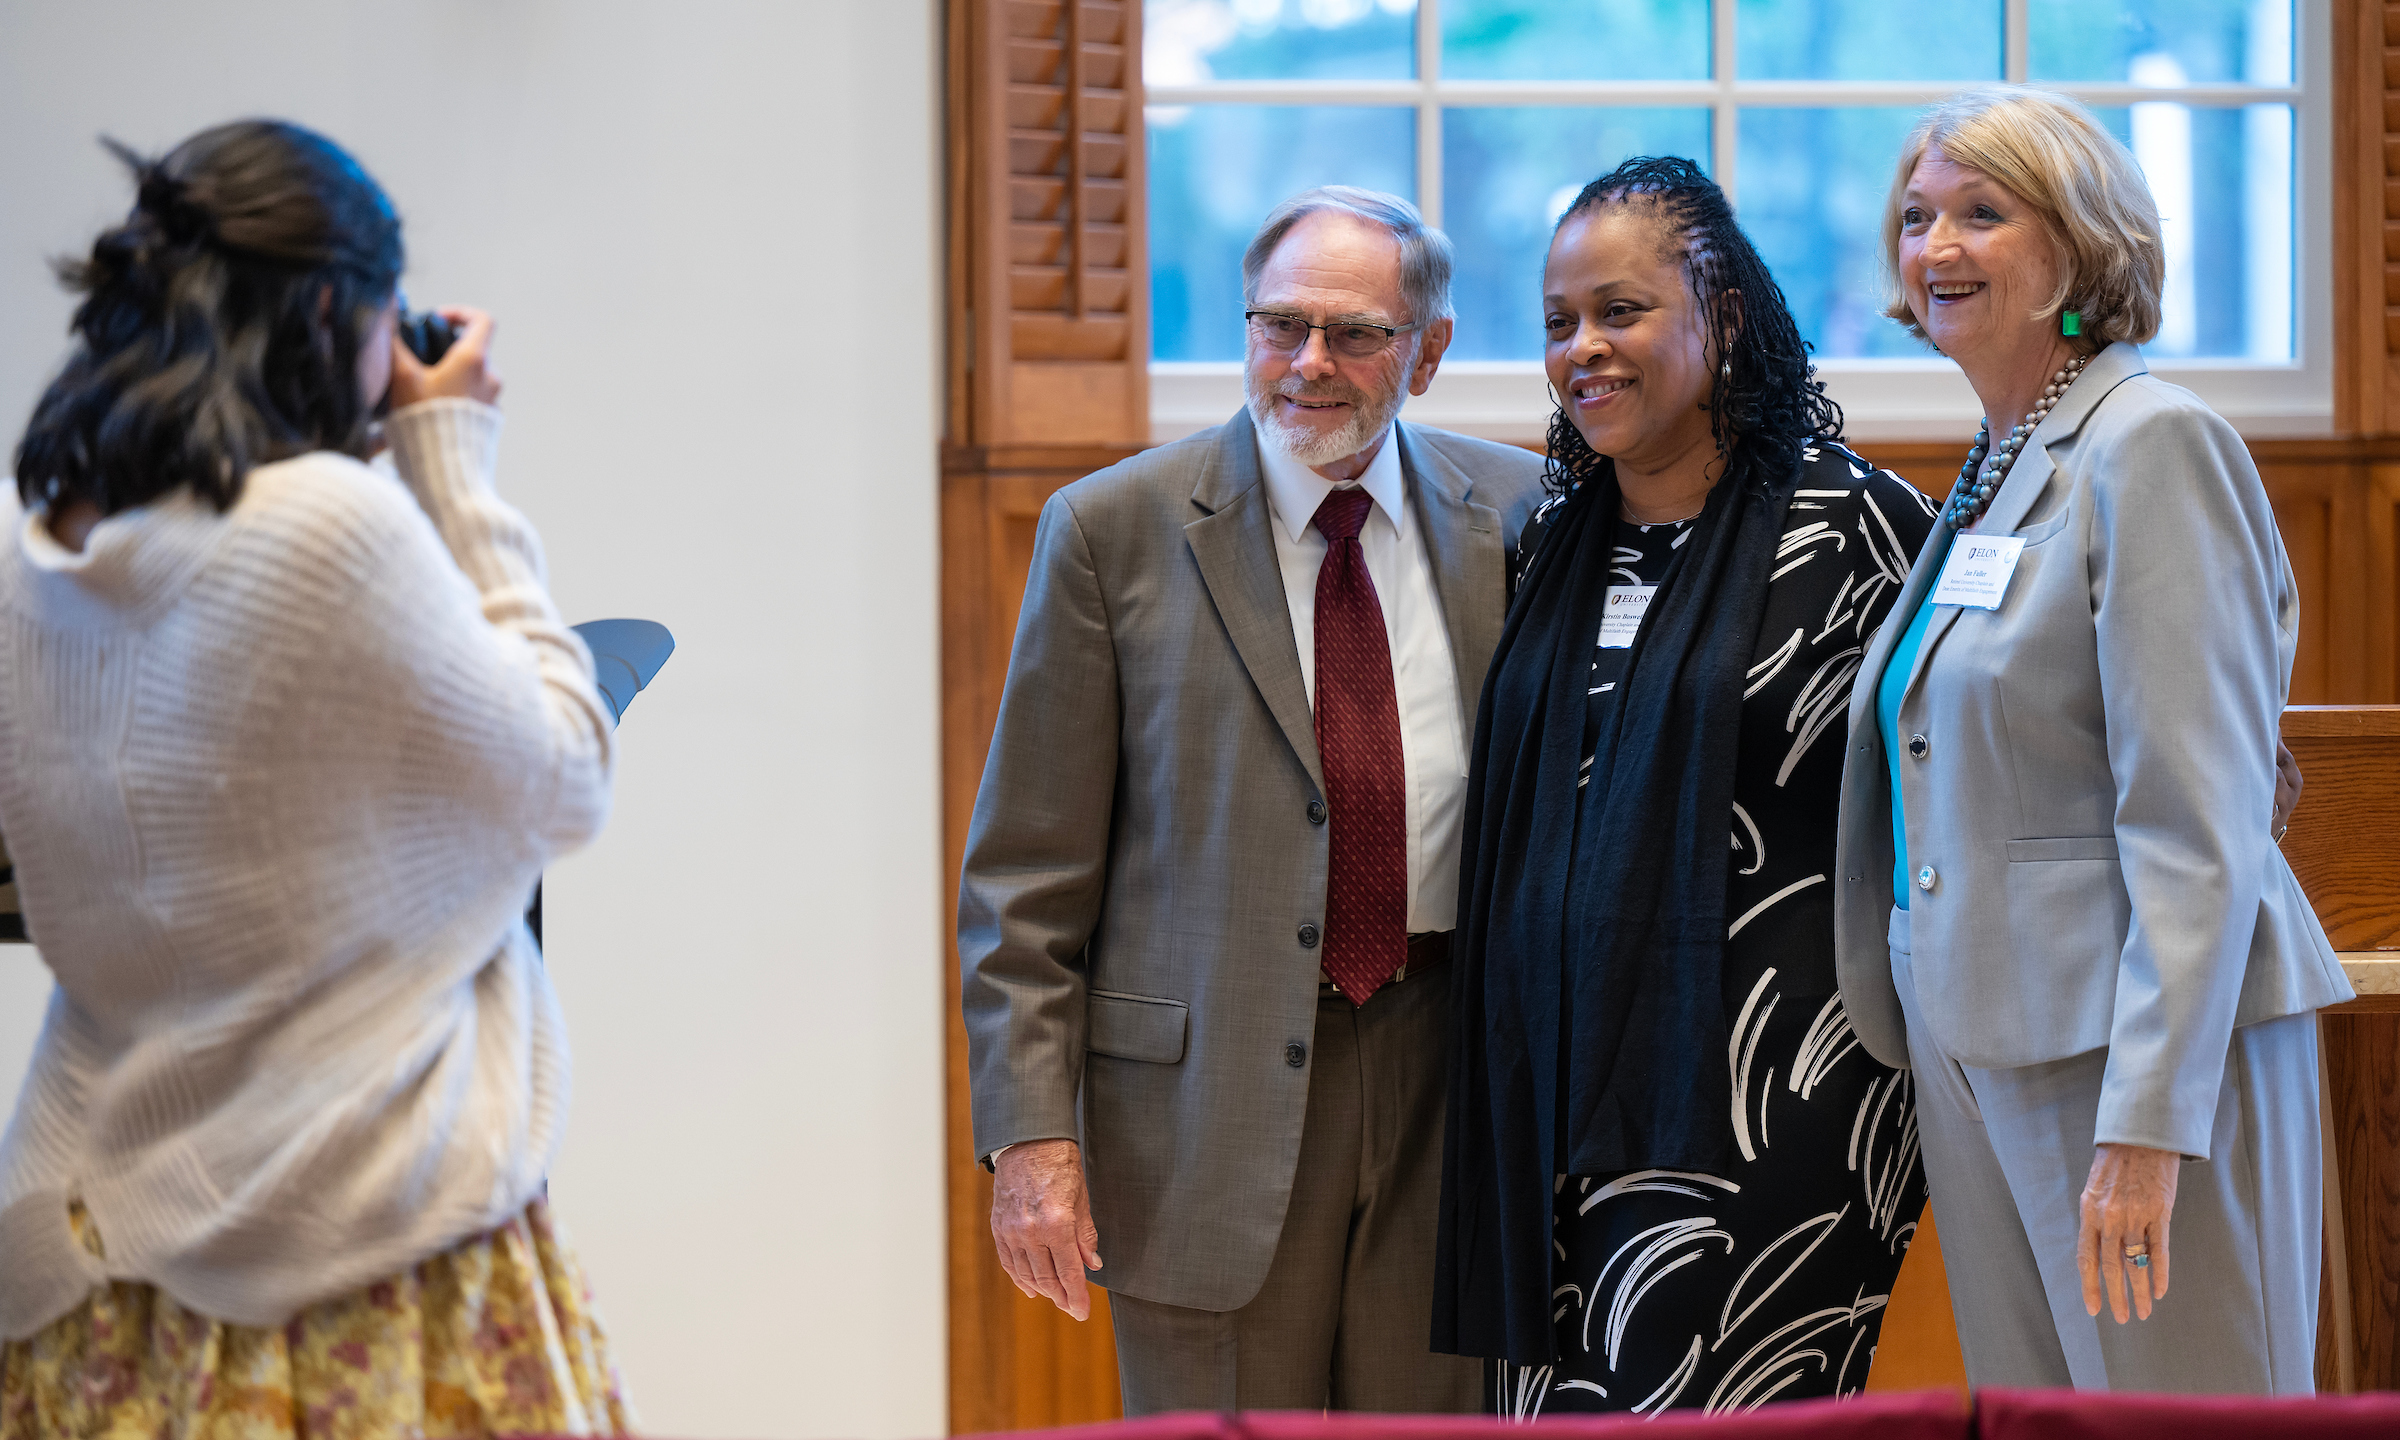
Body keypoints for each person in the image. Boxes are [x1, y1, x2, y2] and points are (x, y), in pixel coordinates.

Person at [0, 121, 630, 1435]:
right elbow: (566, 776)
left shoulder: (43, 549)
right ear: (337, 312)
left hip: (94, 1271)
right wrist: (451, 464)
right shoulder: (333, 530)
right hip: (340, 1254)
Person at [958, 186, 1546, 1414]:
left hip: (1450, 1086)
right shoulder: (1112, 532)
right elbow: (1024, 876)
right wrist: (1030, 1138)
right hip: (1199, 1112)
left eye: (1355, 333)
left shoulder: (1523, 515)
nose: (1309, 363)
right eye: (1281, 325)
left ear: (1428, 350)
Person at [1832, 85, 2351, 1394]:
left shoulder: (2153, 443)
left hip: (2137, 1061)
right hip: (1980, 1041)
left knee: (2190, 1420)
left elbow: (2198, 815)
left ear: (2078, 243)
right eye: (1916, 218)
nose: (1936, 247)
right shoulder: (2002, 460)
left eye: (1982, 213)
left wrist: (2150, 1122)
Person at [1434, 156, 1951, 1416]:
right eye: (1559, 322)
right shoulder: (1553, 539)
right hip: (1551, 1104)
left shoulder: (1859, 529)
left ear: (1720, 312)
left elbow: (1962, 784)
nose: (1583, 349)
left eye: (1621, 311)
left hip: (1779, 1102)